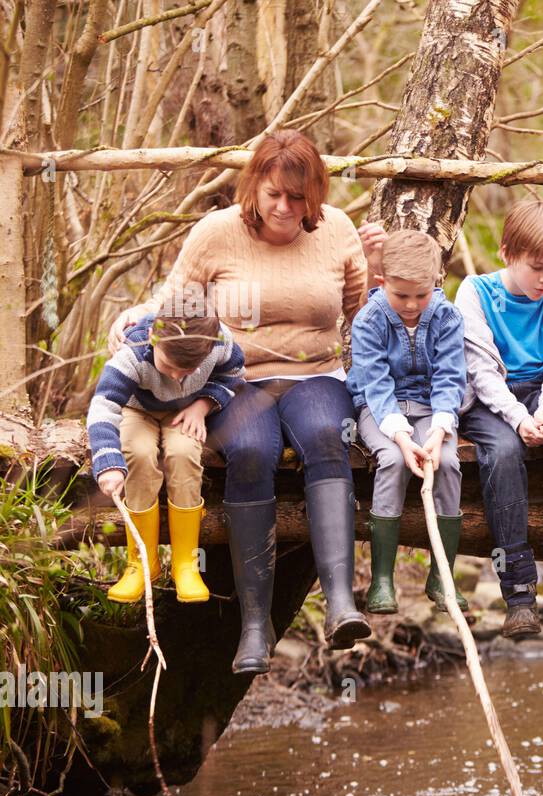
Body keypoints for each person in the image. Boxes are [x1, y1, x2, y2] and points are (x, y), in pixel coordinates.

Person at [106, 129, 380, 673]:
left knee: (328, 436)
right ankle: (256, 625)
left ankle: (341, 603)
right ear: (254, 186)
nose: (284, 207)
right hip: (231, 379)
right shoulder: (216, 233)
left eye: (297, 198)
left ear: (315, 197)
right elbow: (177, 301)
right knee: (251, 450)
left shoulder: (338, 231)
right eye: (274, 193)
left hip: (315, 375)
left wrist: (373, 264)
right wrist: (138, 315)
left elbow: (359, 311)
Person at [454, 200, 543, 643]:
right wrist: (518, 420)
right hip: (491, 400)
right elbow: (480, 371)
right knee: (504, 451)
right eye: (536, 267)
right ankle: (517, 590)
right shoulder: (474, 292)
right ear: (506, 251)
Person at [347, 230, 467, 615]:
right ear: (383, 283)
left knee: (446, 462)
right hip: (379, 408)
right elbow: (375, 383)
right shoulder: (370, 319)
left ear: (436, 282)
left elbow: (451, 377)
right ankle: (383, 578)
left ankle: (442, 575)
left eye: (422, 295)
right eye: (402, 296)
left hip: (433, 409)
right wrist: (400, 436)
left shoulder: (447, 316)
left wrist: (439, 431)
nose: (413, 304)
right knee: (394, 461)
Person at [90, 306, 244, 605]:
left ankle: (185, 563)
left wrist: (204, 404)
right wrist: (108, 462)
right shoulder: (133, 353)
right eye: (168, 366)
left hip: (185, 412)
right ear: (153, 337)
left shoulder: (219, 342)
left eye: (185, 371)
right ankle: (141, 563)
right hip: (137, 409)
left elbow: (235, 374)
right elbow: (103, 406)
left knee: (184, 452)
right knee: (139, 452)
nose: (174, 376)